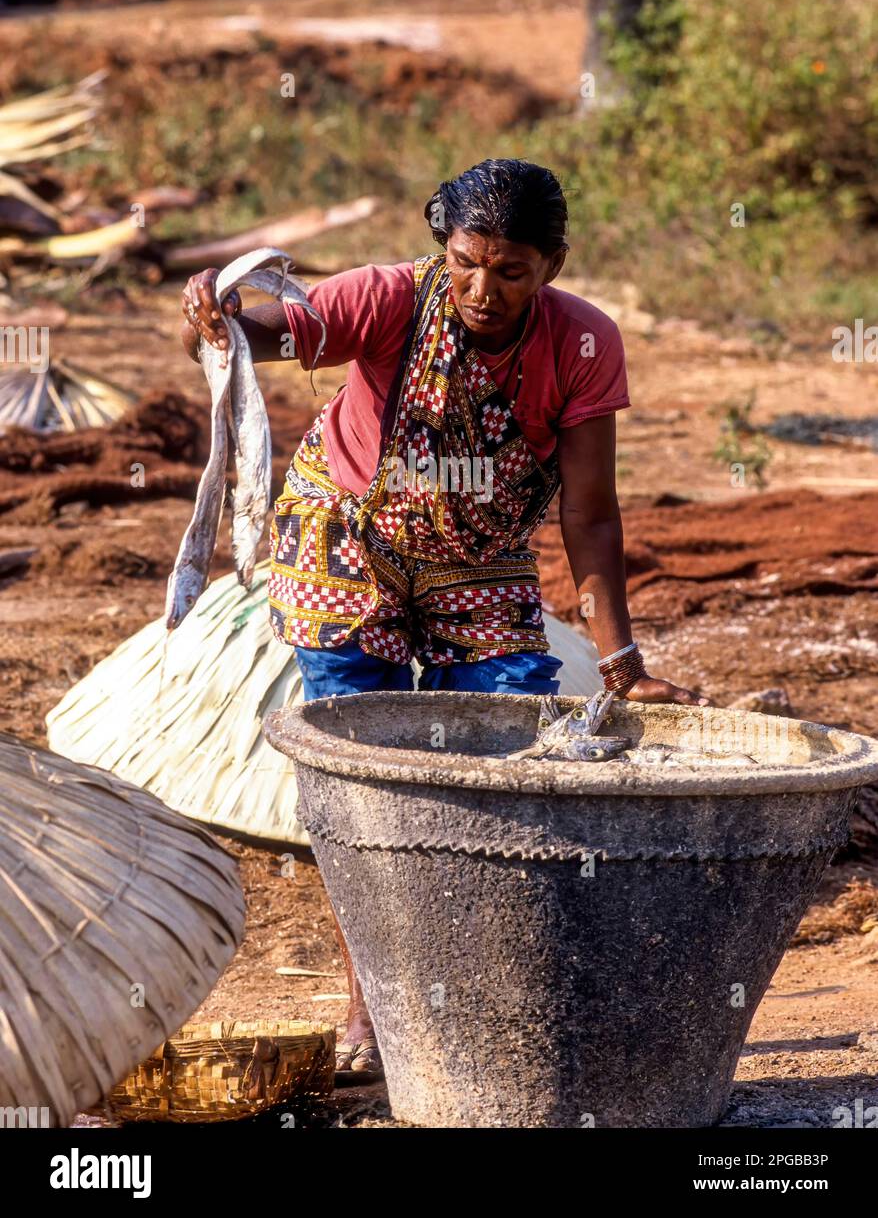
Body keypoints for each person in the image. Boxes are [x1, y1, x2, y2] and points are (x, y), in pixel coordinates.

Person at [181, 157, 710, 1083]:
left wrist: (621, 658)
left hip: (483, 559)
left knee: (507, 759)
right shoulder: (390, 299)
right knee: (367, 776)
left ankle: (490, 998)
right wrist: (220, 318)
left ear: (552, 264)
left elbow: (589, 514)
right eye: (467, 262)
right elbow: (279, 327)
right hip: (348, 542)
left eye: (512, 271)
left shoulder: (583, 345)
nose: (483, 290)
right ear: (443, 246)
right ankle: (372, 1011)